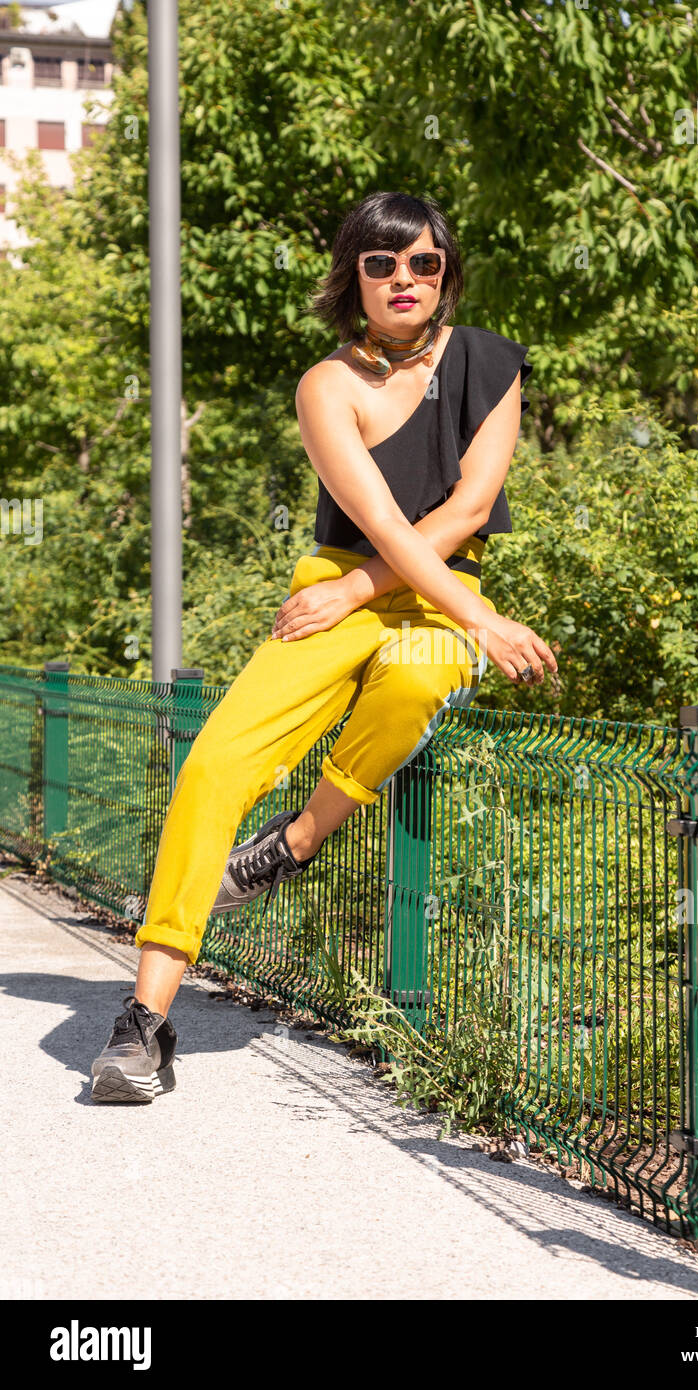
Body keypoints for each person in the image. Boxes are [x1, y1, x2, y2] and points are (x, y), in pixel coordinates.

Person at [90, 190, 557, 1103]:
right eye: (381, 265)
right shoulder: (326, 385)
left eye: (423, 261)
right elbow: (381, 518)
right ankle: (144, 1024)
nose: (404, 279)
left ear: (445, 270)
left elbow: (462, 513)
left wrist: (459, 612)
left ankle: (294, 843)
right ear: (356, 280)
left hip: (431, 595)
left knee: (415, 689)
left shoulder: (491, 365)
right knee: (215, 765)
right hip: (334, 591)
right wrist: (348, 591)